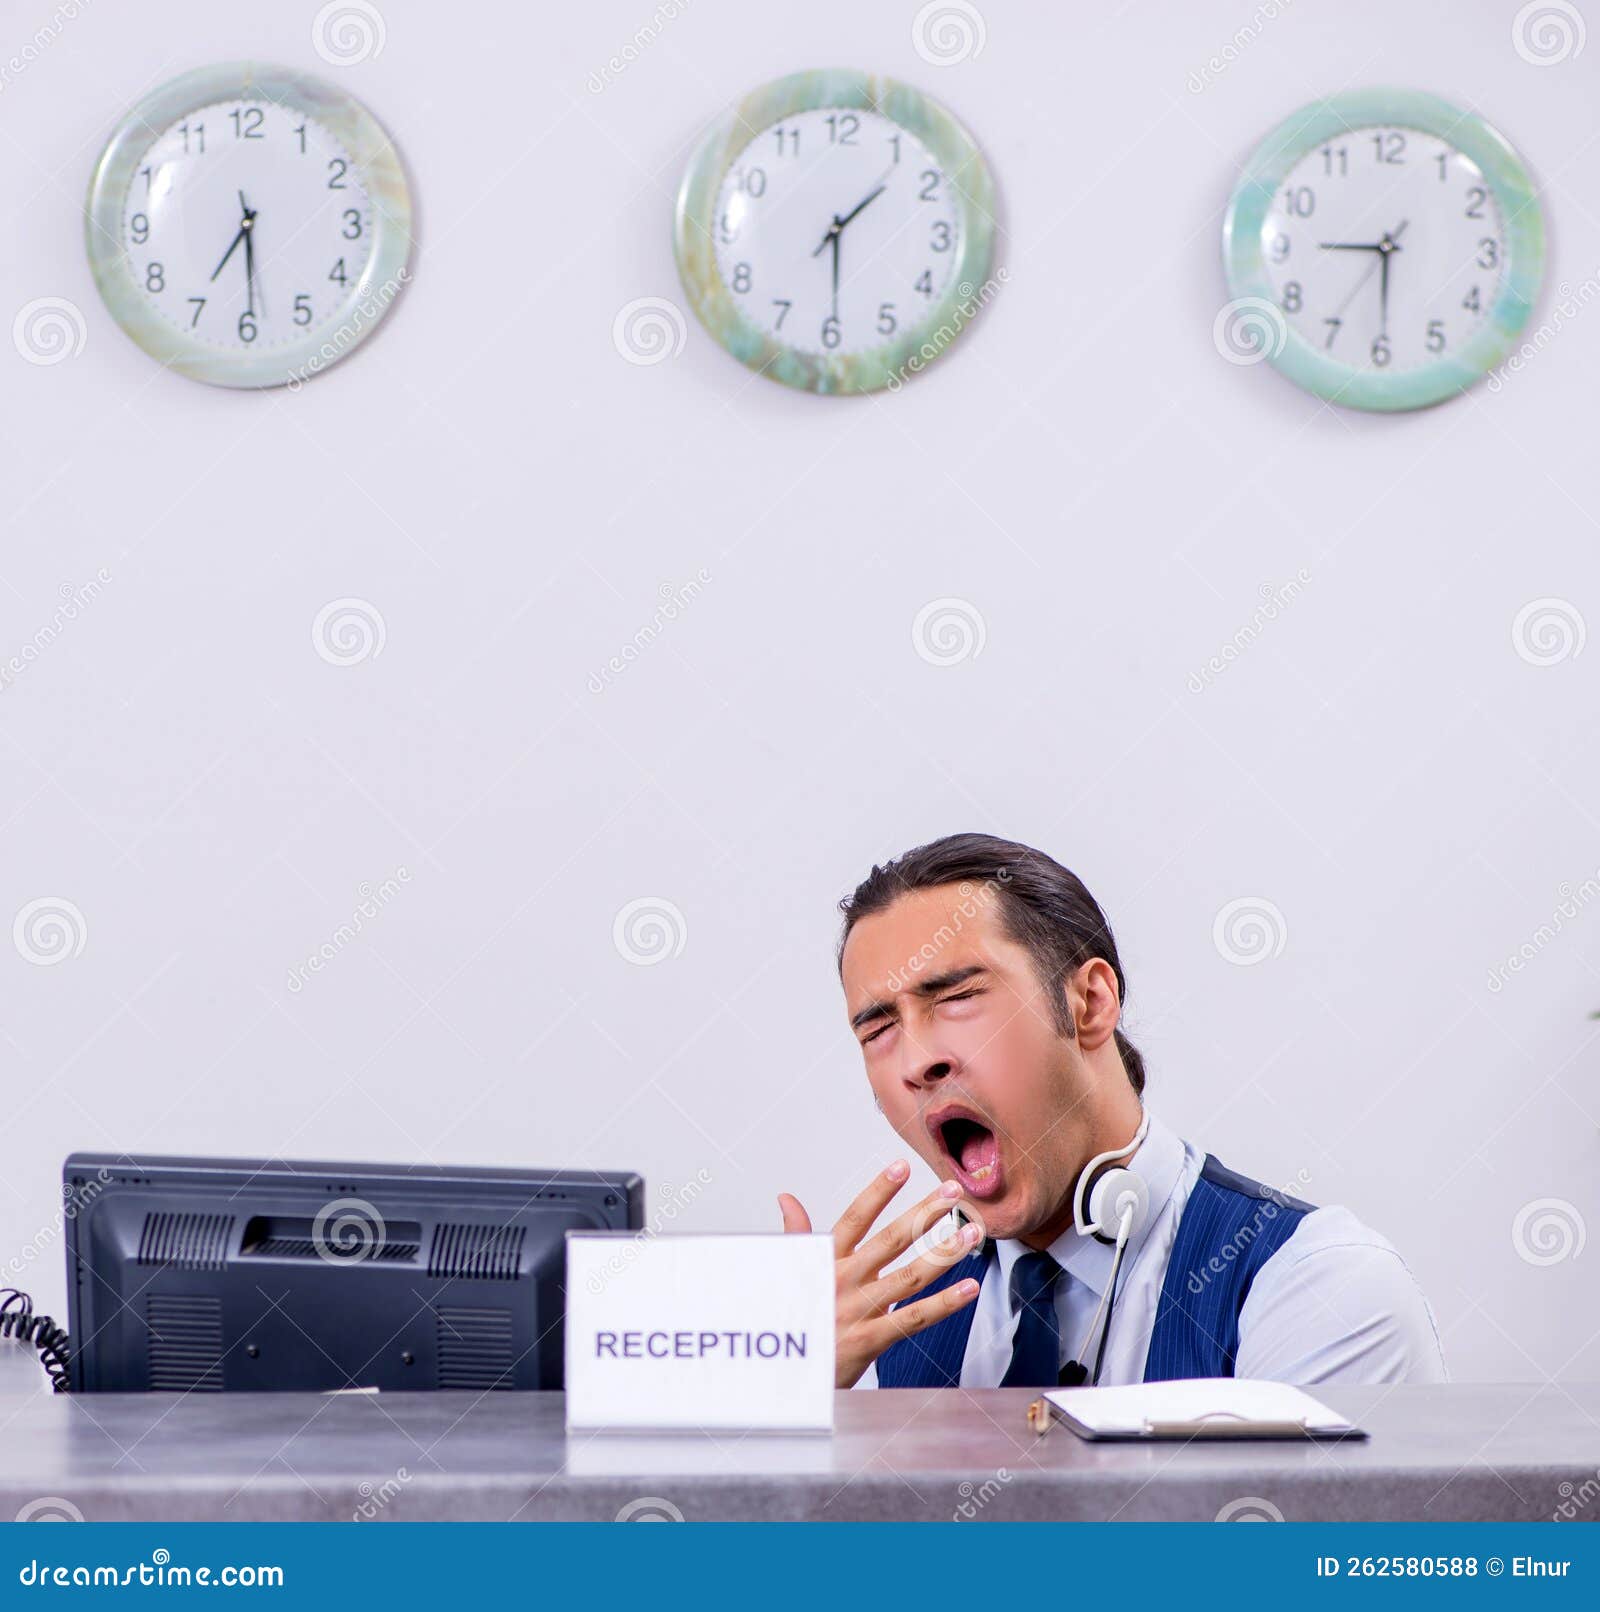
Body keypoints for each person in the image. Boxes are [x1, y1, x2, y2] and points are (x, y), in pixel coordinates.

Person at [778, 833, 1446, 1390]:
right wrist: (791, 1404)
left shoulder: (1320, 1289)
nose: (916, 1061)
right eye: (877, 1029)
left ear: (1090, 1002)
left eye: (955, 998)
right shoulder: (883, 1338)